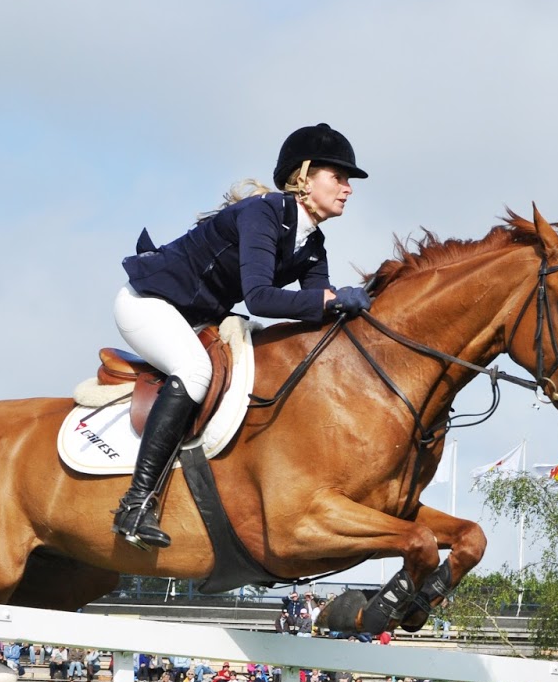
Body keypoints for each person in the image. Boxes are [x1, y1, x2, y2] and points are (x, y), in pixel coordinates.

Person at [109, 123, 370, 549]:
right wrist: (334, 299)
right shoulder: (262, 213)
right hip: (150, 303)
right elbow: (261, 298)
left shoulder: (312, 244)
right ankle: (135, 505)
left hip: (196, 316)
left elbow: (315, 312)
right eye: (338, 178)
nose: (348, 189)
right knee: (194, 371)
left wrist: (355, 303)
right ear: (304, 177)